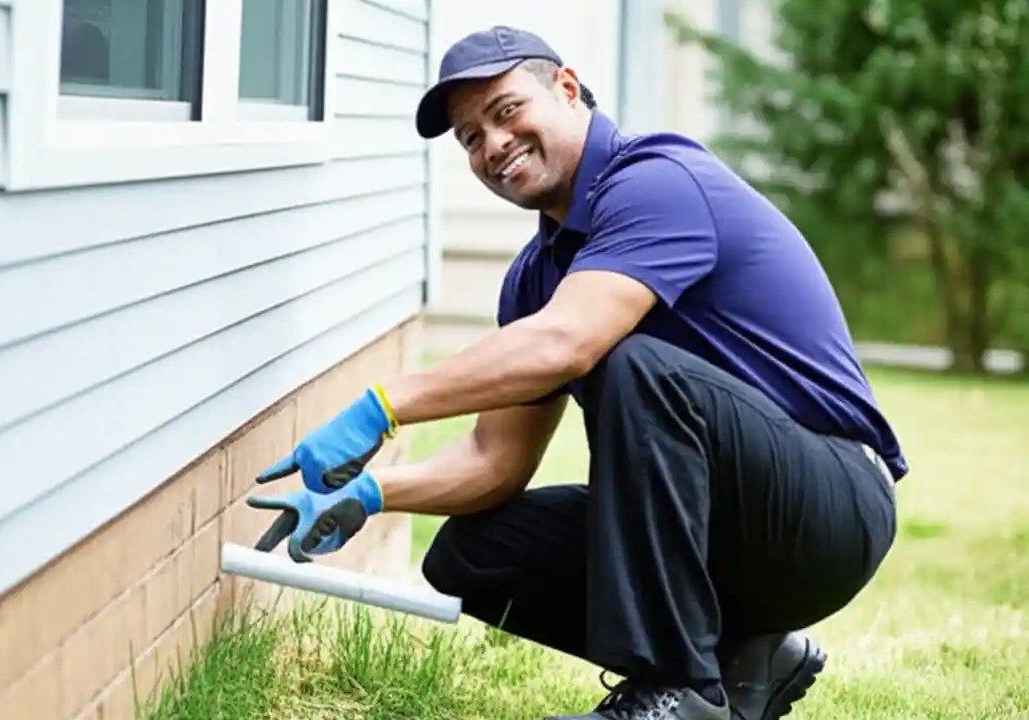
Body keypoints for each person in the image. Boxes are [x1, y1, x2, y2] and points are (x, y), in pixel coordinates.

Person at [247, 25, 902, 720]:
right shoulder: (536, 278)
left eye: (505, 112)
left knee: (637, 364)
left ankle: (675, 689)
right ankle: (747, 658)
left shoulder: (657, 183)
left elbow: (567, 344)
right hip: (721, 535)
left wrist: (382, 406)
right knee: (471, 556)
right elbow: (493, 460)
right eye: (470, 138)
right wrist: (375, 493)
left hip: (828, 509)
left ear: (565, 87)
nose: (493, 145)